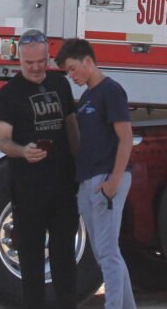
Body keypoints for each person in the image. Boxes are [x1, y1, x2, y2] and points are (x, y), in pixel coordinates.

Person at [0, 29, 79, 309]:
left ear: (48, 57)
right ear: (19, 62)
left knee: (64, 254)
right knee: (31, 259)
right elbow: (3, 140)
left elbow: (72, 125)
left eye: (41, 61)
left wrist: (81, 162)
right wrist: (23, 151)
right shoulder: (8, 95)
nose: (36, 67)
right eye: (29, 63)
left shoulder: (60, 84)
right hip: (28, 188)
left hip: (63, 184)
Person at [57, 37, 136, 309]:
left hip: (106, 177)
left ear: (87, 61)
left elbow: (125, 137)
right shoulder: (88, 96)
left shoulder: (110, 90)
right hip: (88, 179)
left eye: (72, 68)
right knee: (104, 252)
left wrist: (113, 181)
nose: (71, 76)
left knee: (107, 251)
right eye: (67, 72)